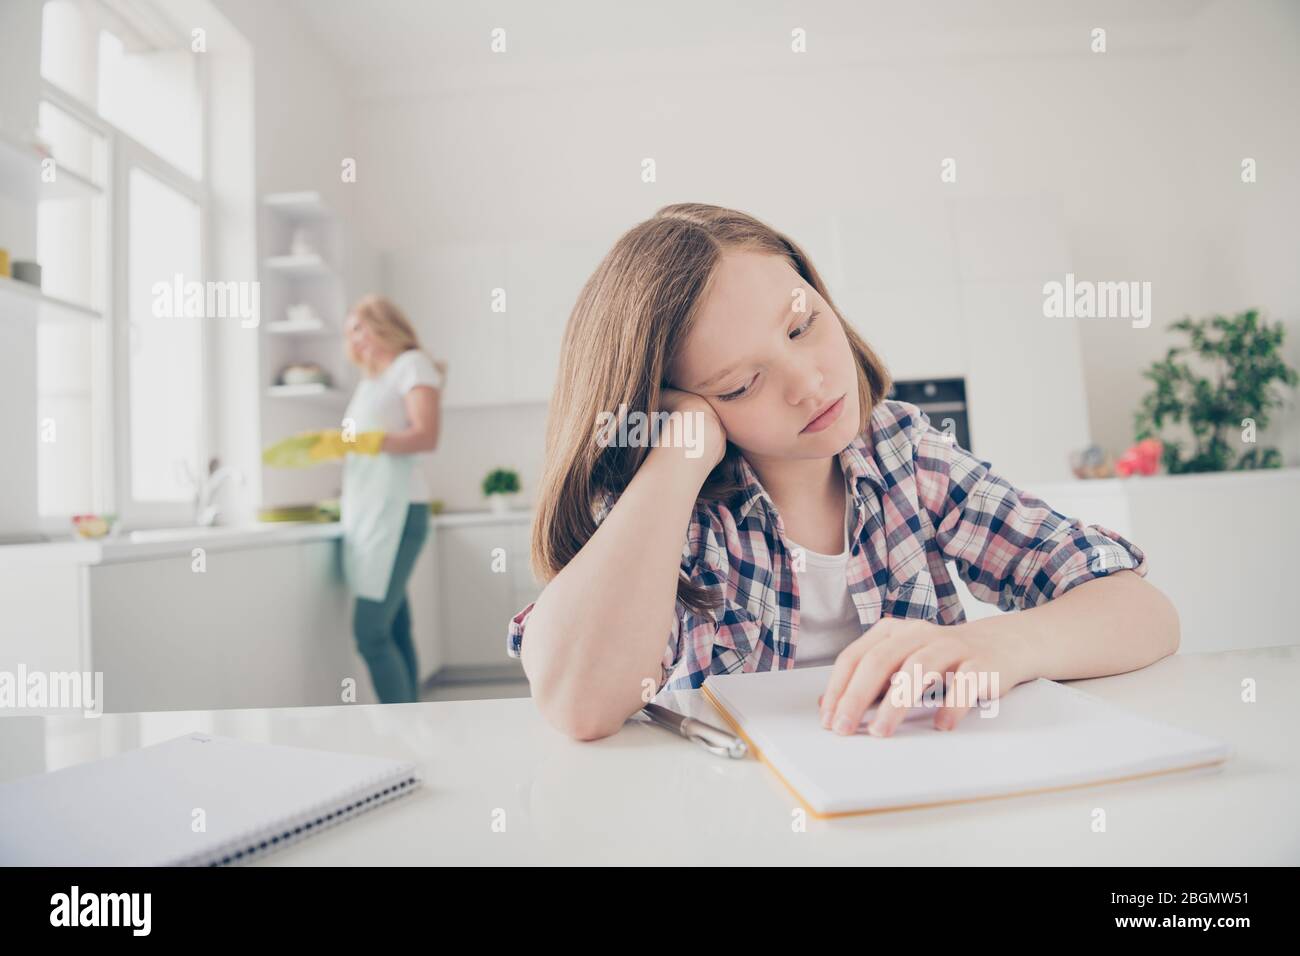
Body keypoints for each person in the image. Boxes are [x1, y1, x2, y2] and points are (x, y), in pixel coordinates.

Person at [507, 203, 1180, 741]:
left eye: (802, 327)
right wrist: (678, 454)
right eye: (741, 384)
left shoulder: (908, 455)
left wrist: (1001, 645)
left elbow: (1143, 612)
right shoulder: (665, 506)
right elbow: (577, 706)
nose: (810, 382)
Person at [327, 294, 446, 703]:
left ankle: (398, 727)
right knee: (393, 626)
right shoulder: (371, 382)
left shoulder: (412, 365)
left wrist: (368, 441)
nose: (353, 340)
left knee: (370, 631)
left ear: (383, 324)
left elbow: (426, 435)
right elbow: (364, 444)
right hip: (371, 511)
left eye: (358, 327)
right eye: (348, 334)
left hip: (399, 512)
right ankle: (412, 725)